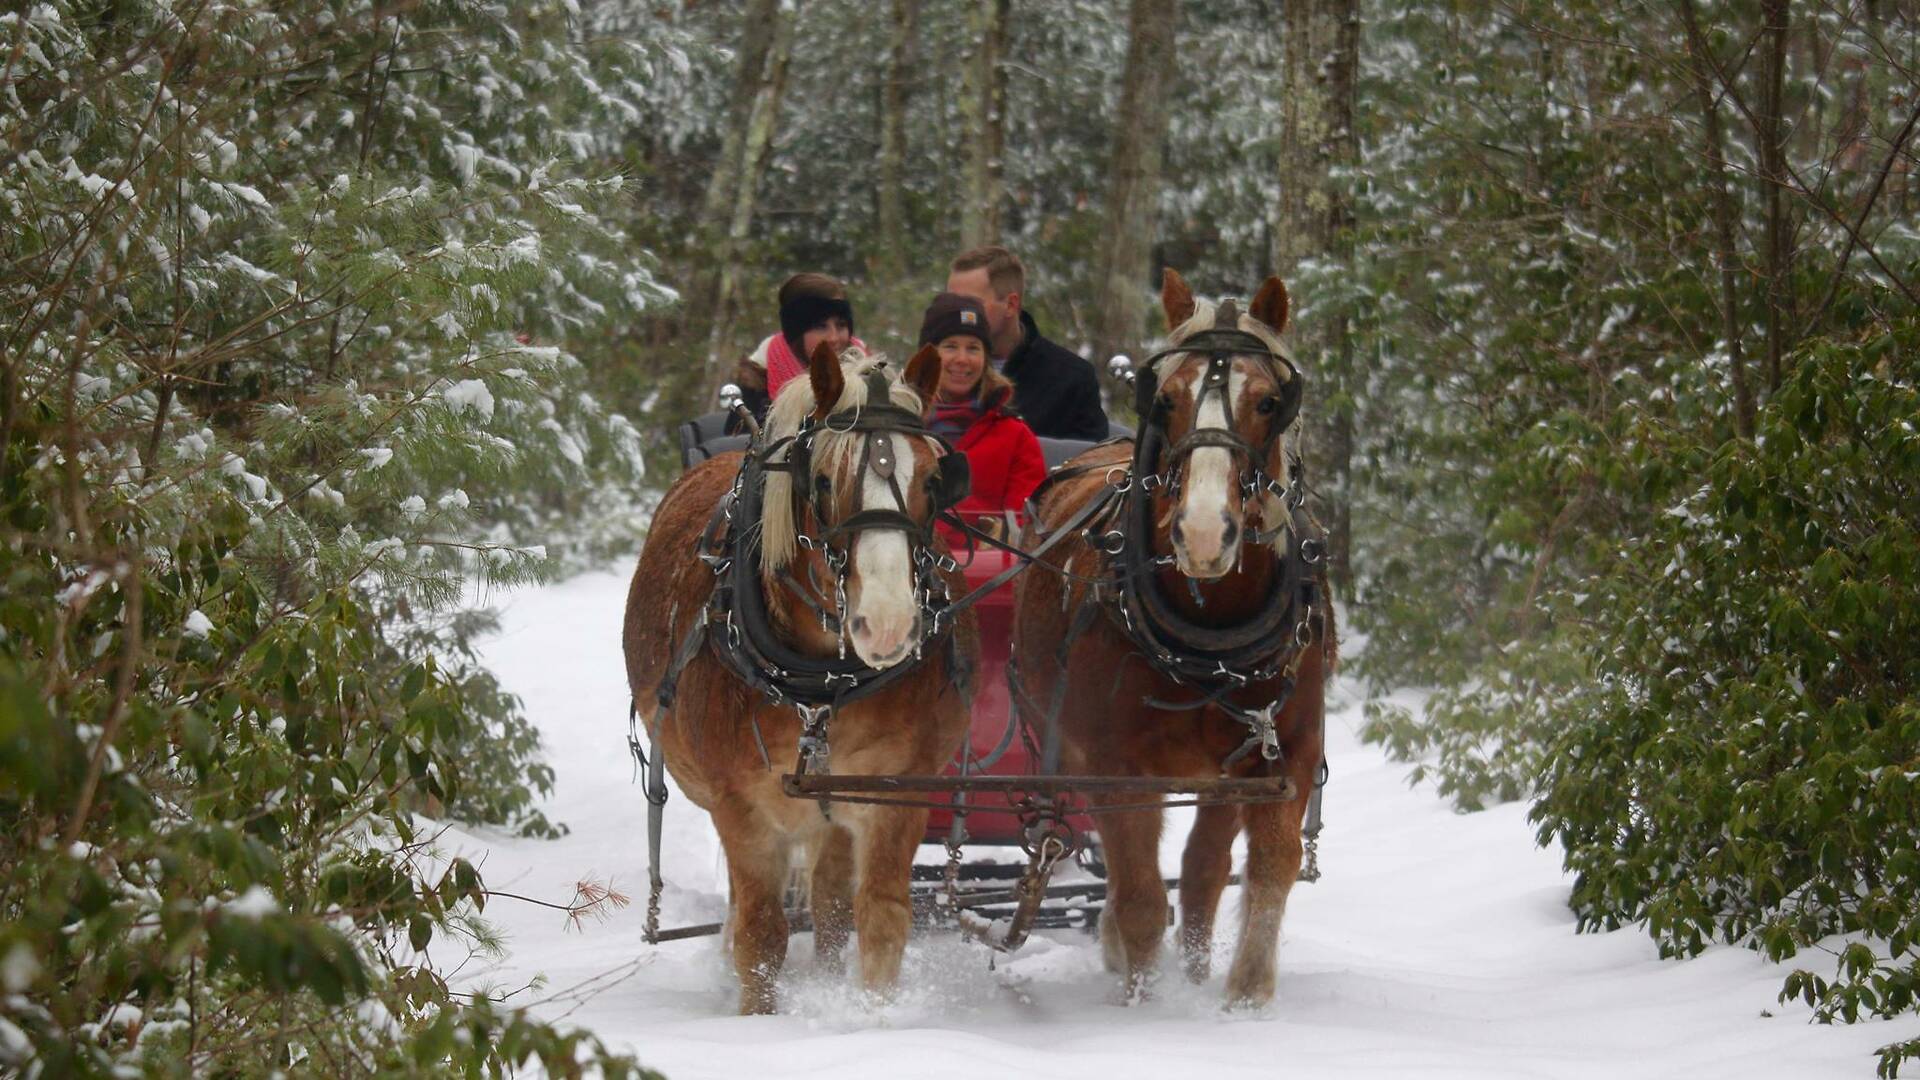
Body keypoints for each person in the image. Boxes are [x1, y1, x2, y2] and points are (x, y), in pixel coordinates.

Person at [917, 292, 1046, 544]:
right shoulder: (899, 426)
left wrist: (1001, 537)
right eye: (951, 346)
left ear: (986, 359)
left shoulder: (1015, 436)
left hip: (988, 575)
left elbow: (1025, 523)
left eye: (973, 348)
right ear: (927, 356)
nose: (962, 359)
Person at [945, 245, 1109, 441]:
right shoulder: (935, 370)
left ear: (1011, 305)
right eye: (949, 303)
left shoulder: (1070, 379)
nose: (957, 315)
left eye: (970, 304)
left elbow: (1095, 463)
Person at [731, 273, 862, 425]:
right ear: (796, 334)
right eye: (820, 327)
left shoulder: (869, 375)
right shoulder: (758, 381)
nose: (834, 338)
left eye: (841, 325)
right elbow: (743, 443)